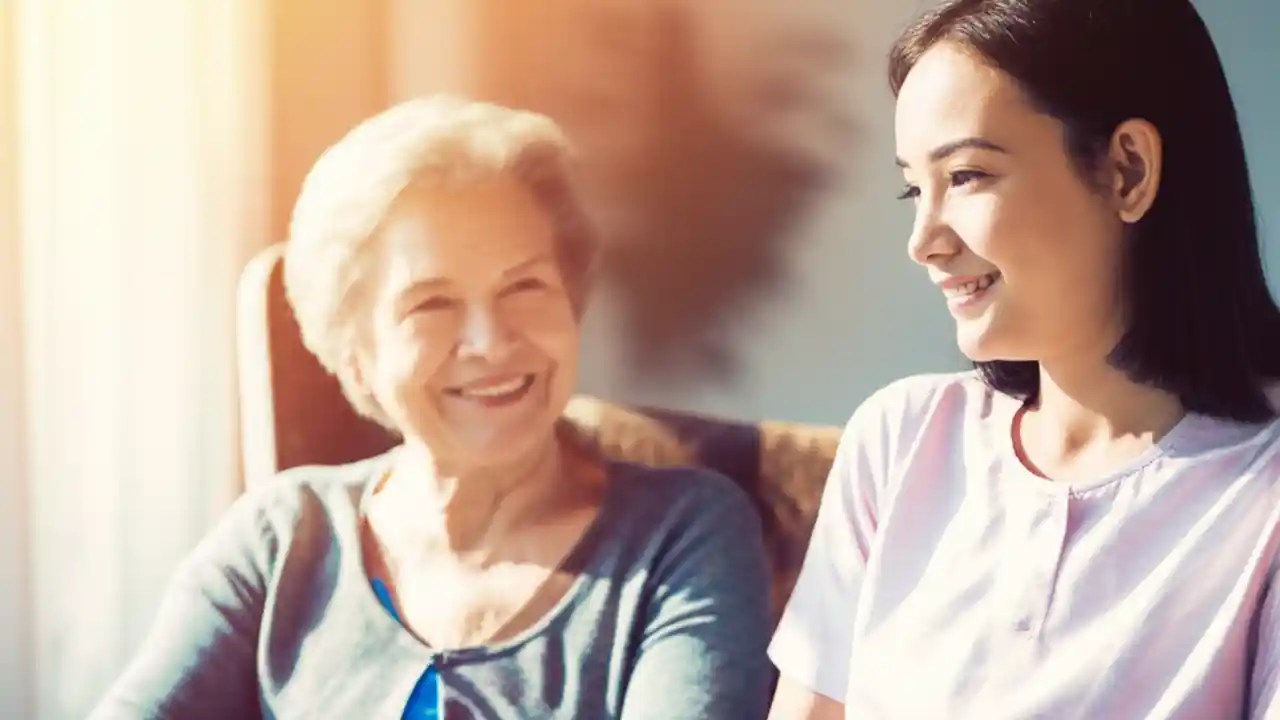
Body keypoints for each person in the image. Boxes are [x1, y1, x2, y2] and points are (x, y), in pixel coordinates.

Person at [92, 96, 771, 719]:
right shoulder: (281, 539)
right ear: (353, 352)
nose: (492, 341)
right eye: (432, 303)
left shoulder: (684, 537)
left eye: (525, 286)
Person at [767, 0, 1280, 717]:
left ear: (1128, 171)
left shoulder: (1262, 493)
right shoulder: (900, 439)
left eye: (968, 176)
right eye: (915, 188)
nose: (923, 240)